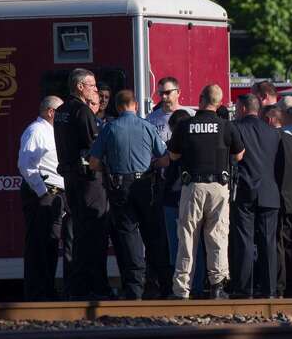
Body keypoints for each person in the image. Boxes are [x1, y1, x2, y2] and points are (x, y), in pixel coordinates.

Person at [87, 90, 170, 300]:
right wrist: (151, 166)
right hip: (146, 185)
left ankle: (135, 289)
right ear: (135, 106)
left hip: (120, 186)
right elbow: (165, 158)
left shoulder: (109, 128)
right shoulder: (147, 127)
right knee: (154, 236)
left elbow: (94, 163)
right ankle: (163, 285)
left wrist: (109, 167)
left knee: (129, 235)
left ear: (118, 107)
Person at [168, 84, 244, 300]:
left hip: (193, 186)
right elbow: (239, 156)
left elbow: (173, 156)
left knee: (187, 237)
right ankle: (217, 287)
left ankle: (181, 290)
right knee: (217, 236)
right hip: (219, 187)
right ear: (219, 102)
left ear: (201, 99)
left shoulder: (185, 125)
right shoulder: (226, 126)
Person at [54, 68, 110, 300]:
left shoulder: (60, 112)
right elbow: (94, 146)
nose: (95, 90)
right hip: (89, 180)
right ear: (79, 87)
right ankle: (97, 287)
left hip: (70, 179)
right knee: (95, 233)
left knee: (78, 234)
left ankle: (77, 287)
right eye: (92, 85)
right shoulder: (82, 111)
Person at [229, 94, 282, 298]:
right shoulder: (273, 132)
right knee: (268, 242)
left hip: (245, 191)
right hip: (269, 191)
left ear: (242, 108)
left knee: (244, 240)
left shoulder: (237, 128)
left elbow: (234, 158)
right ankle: (270, 289)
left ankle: (244, 288)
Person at [18, 96, 64, 300]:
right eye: (60, 112)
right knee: (38, 245)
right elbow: (26, 164)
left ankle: (47, 290)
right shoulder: (36, 131)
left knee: (50, 244)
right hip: (43, 195)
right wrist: (42, 192)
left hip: (53, 195)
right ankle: (37, 295)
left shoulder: (51, 131)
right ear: (51, 112)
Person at [160, 109, 205, 297]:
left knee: (177, 246)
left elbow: (168, 174)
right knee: (198, 244)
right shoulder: (200, 144)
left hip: (174, 200)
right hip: (197, 197)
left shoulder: (173, 146)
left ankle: (180, 287)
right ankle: (198, 285)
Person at [264, 105, 292, 298]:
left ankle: (279, 284)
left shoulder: (270, 141)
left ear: (271, 120)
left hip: (276, 198)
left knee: (277, 243)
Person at [146, 77, 185, 143]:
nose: (163, 96)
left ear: (178, 92)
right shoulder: (150, 119)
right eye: (161, 93)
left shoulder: (191, 115)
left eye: (167, 92)